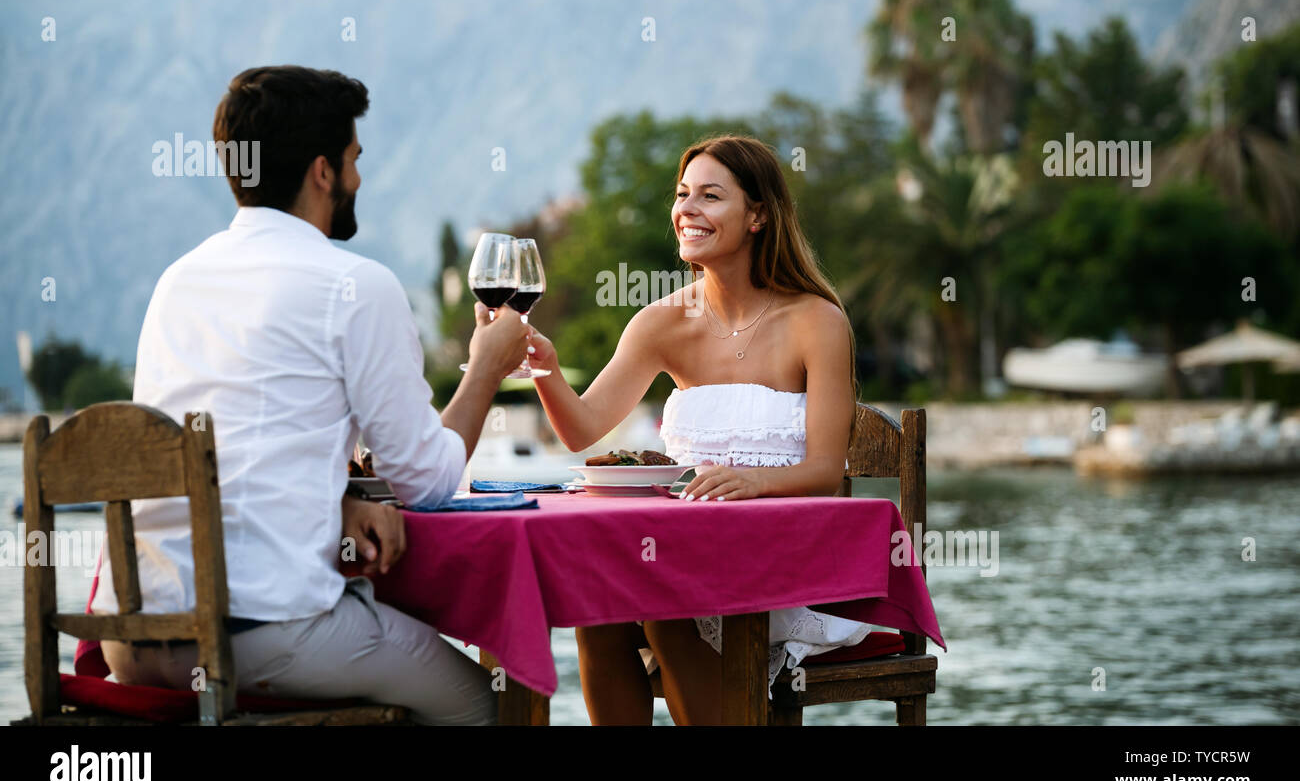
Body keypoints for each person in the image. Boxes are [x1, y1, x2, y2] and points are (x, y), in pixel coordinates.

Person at [93, 66, 530, 725]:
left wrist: (344, 494)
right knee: (493, 703)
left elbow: (222, 444)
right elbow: (428, 483)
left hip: (131, 642)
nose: (359, 179)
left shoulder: (177, 281)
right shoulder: (354, 285)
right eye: (354, 160)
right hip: (255, 639)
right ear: (322, 172)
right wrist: (485, 368)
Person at [526, 134, 876, 725]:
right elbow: (582, 430)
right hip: (678, 554)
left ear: (758, 214)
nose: (686, 209)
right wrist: (546, 368)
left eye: (710, 196)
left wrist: (755, 483)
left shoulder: (817, 321)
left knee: (665, 603)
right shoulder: (660, 322)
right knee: (597, 606)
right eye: (683, 194)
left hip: (785, 559)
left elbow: (825, 472)